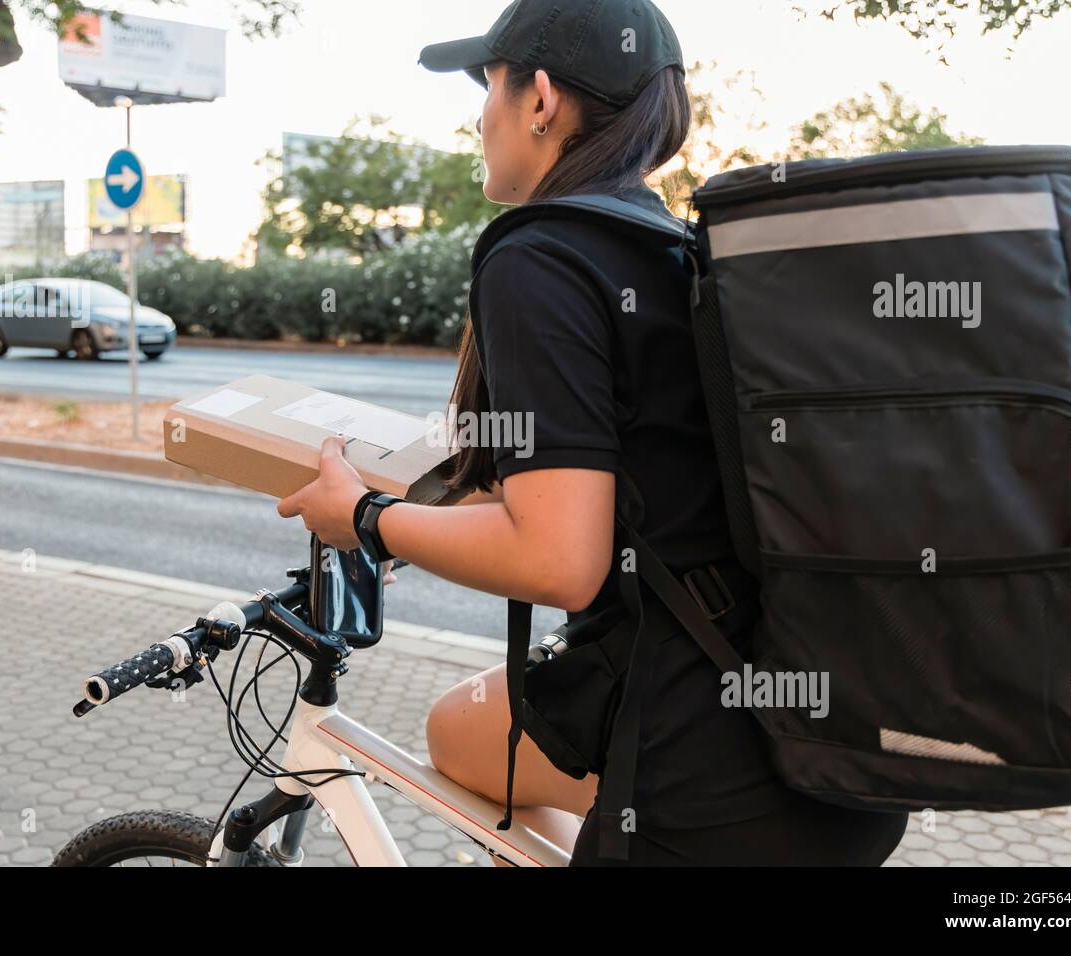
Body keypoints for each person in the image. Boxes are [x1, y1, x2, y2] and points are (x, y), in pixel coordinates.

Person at [277, 0, 909, 866]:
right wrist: (431, 523)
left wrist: (364, 518)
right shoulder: (679, 253)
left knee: (460, 731)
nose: (479, 116)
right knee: (464, 736)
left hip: (702, 778)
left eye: (489, 85)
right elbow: (627, 494)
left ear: (540, 98)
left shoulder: (539, 259)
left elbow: (559, 560)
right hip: (832, 744)